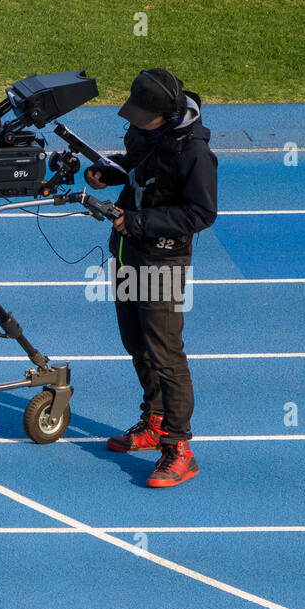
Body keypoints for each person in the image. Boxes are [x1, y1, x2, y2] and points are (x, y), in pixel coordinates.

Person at [85, 68, 217, 487]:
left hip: (161, 262)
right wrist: (110, 172)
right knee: (135, 342)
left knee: (166, 354)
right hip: (127, 253)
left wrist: (139, 222)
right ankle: (155, 419)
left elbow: (201, 213)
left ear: (168, 114)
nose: (133, 122)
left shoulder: (195, 155)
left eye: (142, 116)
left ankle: (179, 447)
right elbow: (138, 170)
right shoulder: (144, 133)